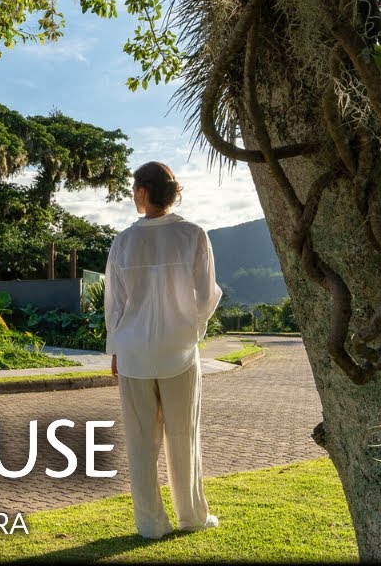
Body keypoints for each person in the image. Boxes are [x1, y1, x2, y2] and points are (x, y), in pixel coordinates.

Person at [105, 161, 223, 539]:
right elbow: (208, 296)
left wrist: (115, 349)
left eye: (133, 189)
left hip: (133, 353)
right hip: (179, 352)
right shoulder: (193, 235)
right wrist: (191, 332)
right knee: (183, 436)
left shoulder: (123, 242)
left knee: (141, 443)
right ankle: (192, 516)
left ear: (143, 191)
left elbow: (115, 305)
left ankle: (151, 525)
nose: (132, 195)